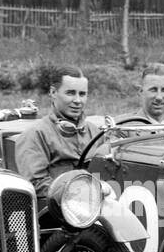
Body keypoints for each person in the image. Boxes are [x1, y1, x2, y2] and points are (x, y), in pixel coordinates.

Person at [14, 70, 100, 199]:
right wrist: (79, 192)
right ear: (53, 93)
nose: (77, 100)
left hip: (95, 205)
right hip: (57, 211)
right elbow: (35, 185)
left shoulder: (95, 133)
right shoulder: (35, 135)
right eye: (70, 93)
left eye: (82, 94)